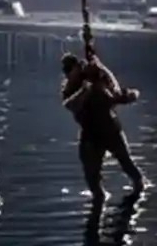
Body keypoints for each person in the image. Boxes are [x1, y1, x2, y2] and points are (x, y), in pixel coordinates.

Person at [60, 48, 145, 202]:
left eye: (70, 70)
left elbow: (114, 92)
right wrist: (86, 90)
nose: (68, 74)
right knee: (92, 177)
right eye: (66, 71)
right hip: (90, 134)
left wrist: (99, 68)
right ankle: (99, 199)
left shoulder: (97, 77)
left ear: (78, 67)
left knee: (127, 163)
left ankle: (138, 186)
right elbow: (70, 105)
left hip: (110, 129)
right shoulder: (70, 89)